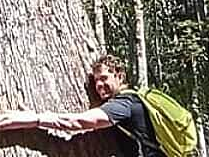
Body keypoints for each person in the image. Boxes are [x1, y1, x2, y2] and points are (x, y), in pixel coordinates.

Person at [36, 54, 165, 157]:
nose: (99, 85)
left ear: (119, 77)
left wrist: (36, 119)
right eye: (96, 80)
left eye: (104, 78)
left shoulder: (125, 103)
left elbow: (76, 122)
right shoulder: (131, 100)